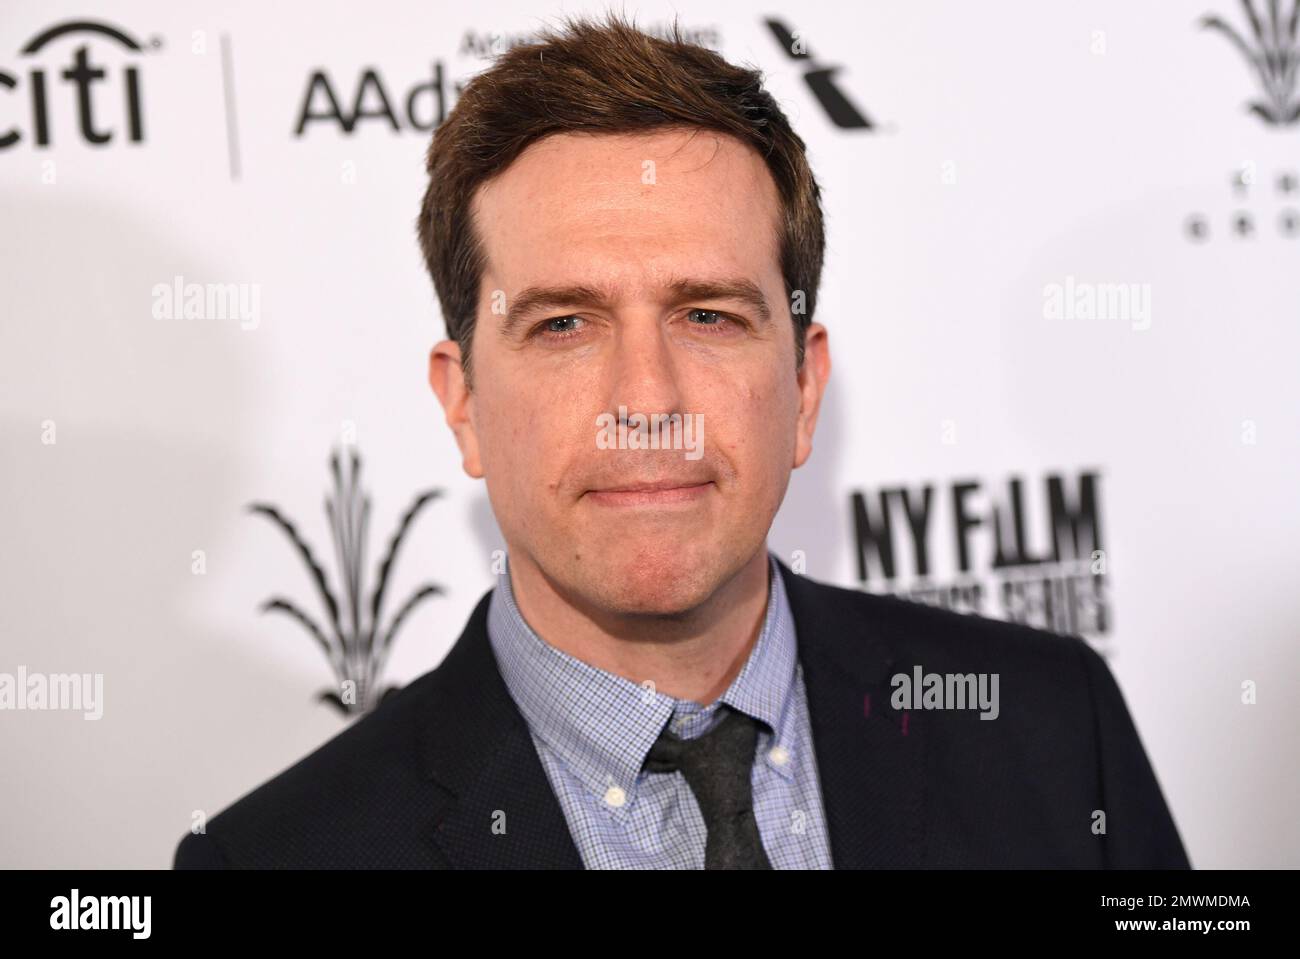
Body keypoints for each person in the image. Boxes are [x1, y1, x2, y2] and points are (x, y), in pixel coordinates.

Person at [174, 12, 1189, 869]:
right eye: (564, 323)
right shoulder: (276, 859)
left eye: (707, 314)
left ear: (800, 386)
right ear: (463, 403)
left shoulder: (1049, 725)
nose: (646, 398)